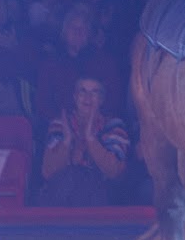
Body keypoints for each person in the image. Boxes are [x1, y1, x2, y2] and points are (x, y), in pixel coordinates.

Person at [39, 75, 129, 205]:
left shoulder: (114, 126)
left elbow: (114, 172)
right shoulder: (60, 124)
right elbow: (48, 172)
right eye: (83, 91)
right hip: (61, 200)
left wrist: (91, 140)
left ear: (102, 99)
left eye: (94, 92)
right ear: (75, 97)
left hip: (99, 202)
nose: (88, 98)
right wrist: (67, 142)